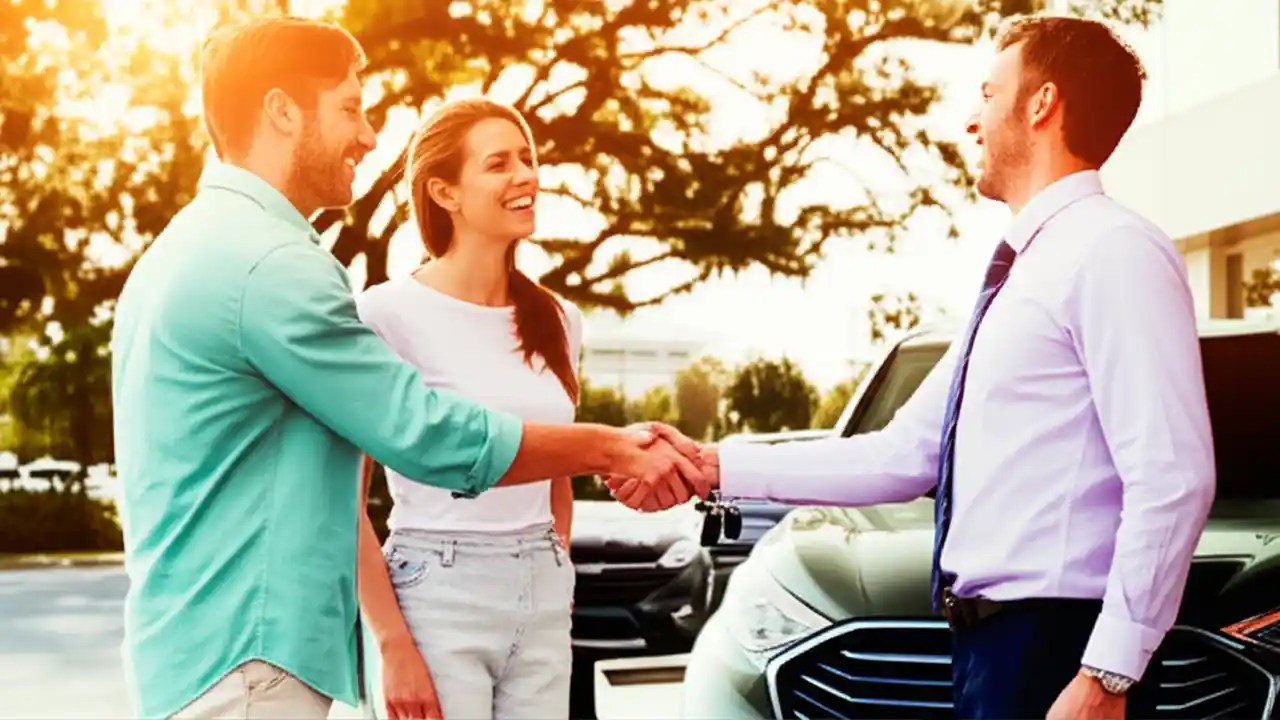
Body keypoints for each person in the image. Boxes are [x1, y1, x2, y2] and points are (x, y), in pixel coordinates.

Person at [622, 14, 1216, 720]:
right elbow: (899, 456)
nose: (972, 121)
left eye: (988, 95)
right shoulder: (1026, 275)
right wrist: (711, 464)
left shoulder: (1115, 250)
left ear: (1042, 104)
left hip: (1057, 649)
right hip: (989, 650)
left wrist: (1107, 673)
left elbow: (1173, 475)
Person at [110, 17, 703, 720]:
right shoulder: (272, 267)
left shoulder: (189, 249)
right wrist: (610, 446)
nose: (367, 136)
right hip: (247, 654)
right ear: (280, 110)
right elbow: (427, 437)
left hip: (203, 647)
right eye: (351, 109)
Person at [352, 97, 586, 720]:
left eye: (528, 159)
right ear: (444, 192)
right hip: (434, 590)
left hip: (539, 585)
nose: (525, 175)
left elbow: (556, 462)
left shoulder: (561, 321)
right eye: (499, 163)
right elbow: (344, 499)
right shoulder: (386, 314)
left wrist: (555, 557)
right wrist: (390, 642)